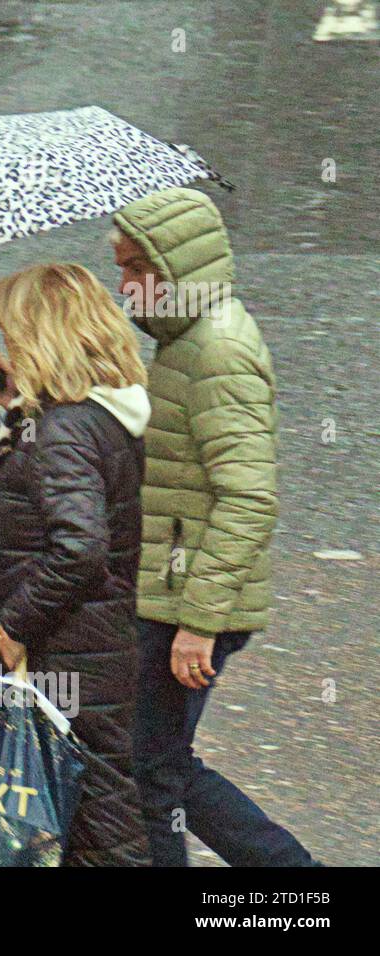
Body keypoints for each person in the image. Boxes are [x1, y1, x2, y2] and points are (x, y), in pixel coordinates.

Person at [111, 187, 318, 866]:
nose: (125, 286)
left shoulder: (217, 351)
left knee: (158, 769)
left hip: (191, 599)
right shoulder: (187, 340)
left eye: (135, 269)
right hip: (176, 588)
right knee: (156, 765)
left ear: (174, 271)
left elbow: (248, 497)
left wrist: (198, 621)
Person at [0, 262, 152, 866]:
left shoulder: (65, 430)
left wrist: (14, 627)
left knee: (95, 821)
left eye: (13, 335)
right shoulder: (92, 416)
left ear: (41, 337)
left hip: (66, 649)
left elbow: (78, 546)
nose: (6, 348)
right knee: (89, 807)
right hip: (93, 644)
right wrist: (14, 409)